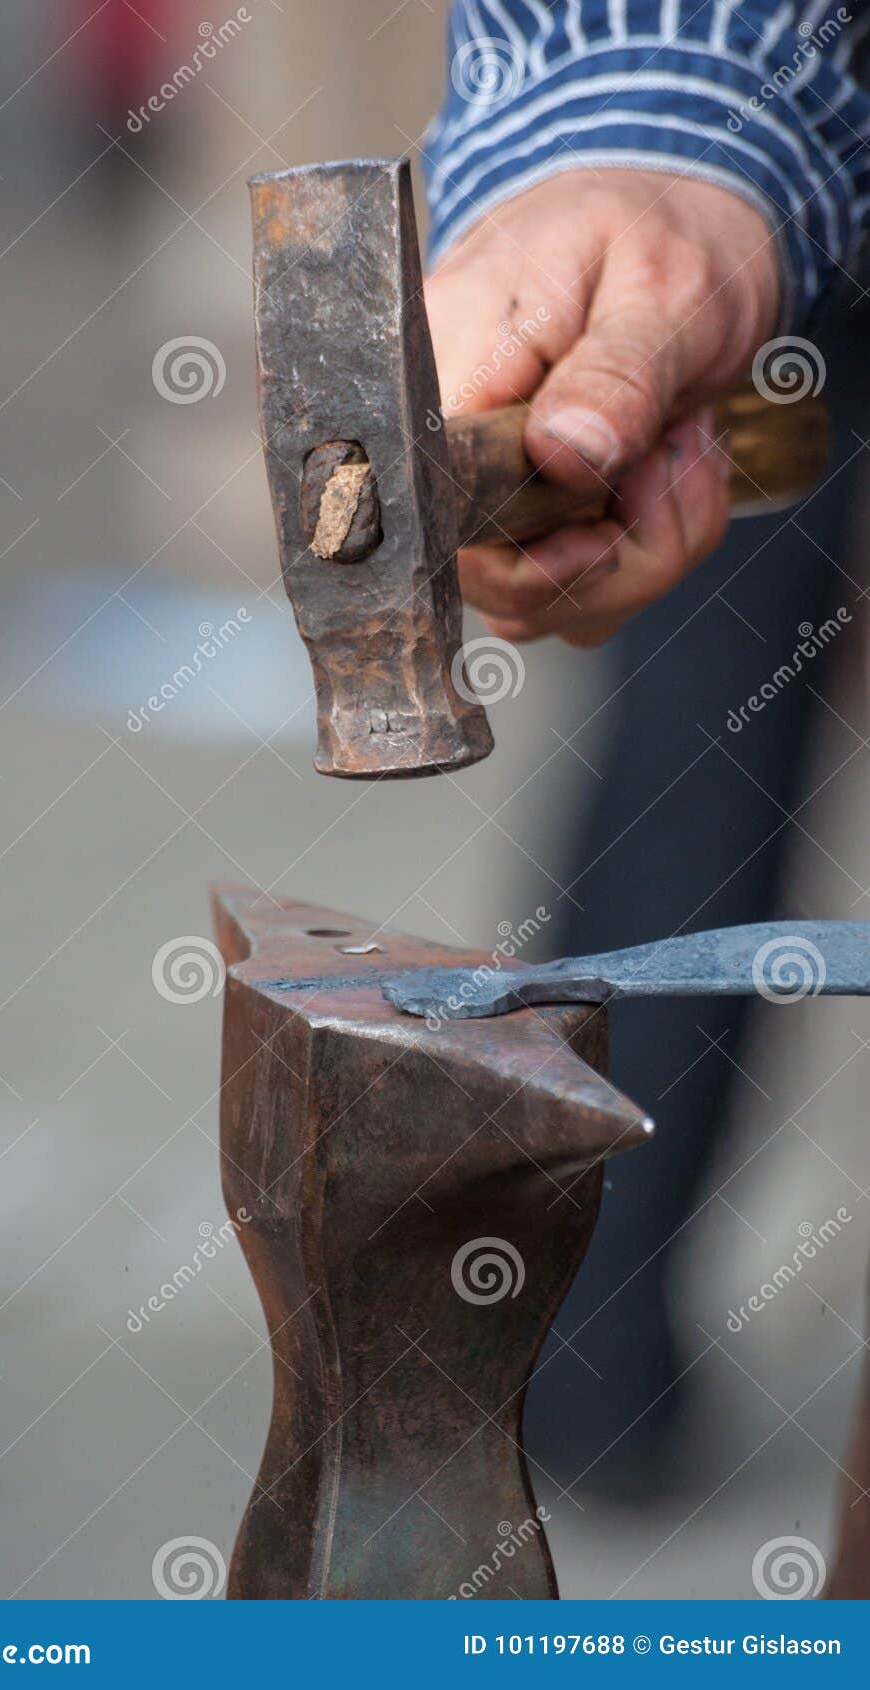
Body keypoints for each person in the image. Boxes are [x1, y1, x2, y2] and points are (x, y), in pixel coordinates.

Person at [422, 3, 870, 1490]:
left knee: (704, 697)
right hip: (779, 239)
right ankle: (590, 1357)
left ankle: (586, 1364)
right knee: (702, 686)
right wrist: (651, 139)